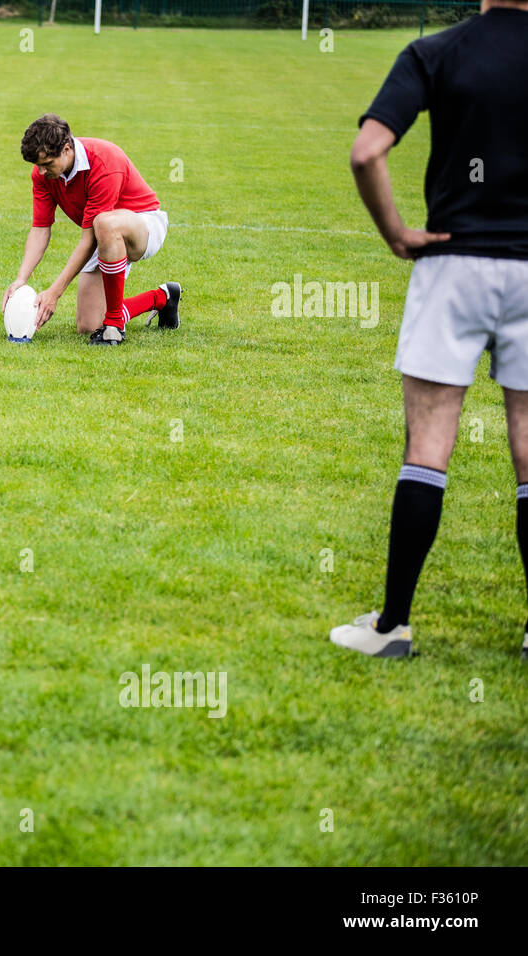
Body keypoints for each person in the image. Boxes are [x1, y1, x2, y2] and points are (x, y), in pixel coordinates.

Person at [331, 0, 528, 659]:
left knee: (430, 446)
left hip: (452, 264)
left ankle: (393, 628)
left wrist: (396, 235)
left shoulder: (437, 51)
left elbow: (366, 153)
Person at [4, 114, 181, 346]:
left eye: (47, 164)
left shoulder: (104, 161)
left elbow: (89, 239)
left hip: (143, 225)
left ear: (67, 148)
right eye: (38, 165)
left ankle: (115, 326)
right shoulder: (43, 175)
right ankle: (163, 297)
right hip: (104, 235)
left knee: (104, 223)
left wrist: (54, 292)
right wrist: (21, 279)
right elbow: (40, 228)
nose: (42, 172)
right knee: (89, 325)